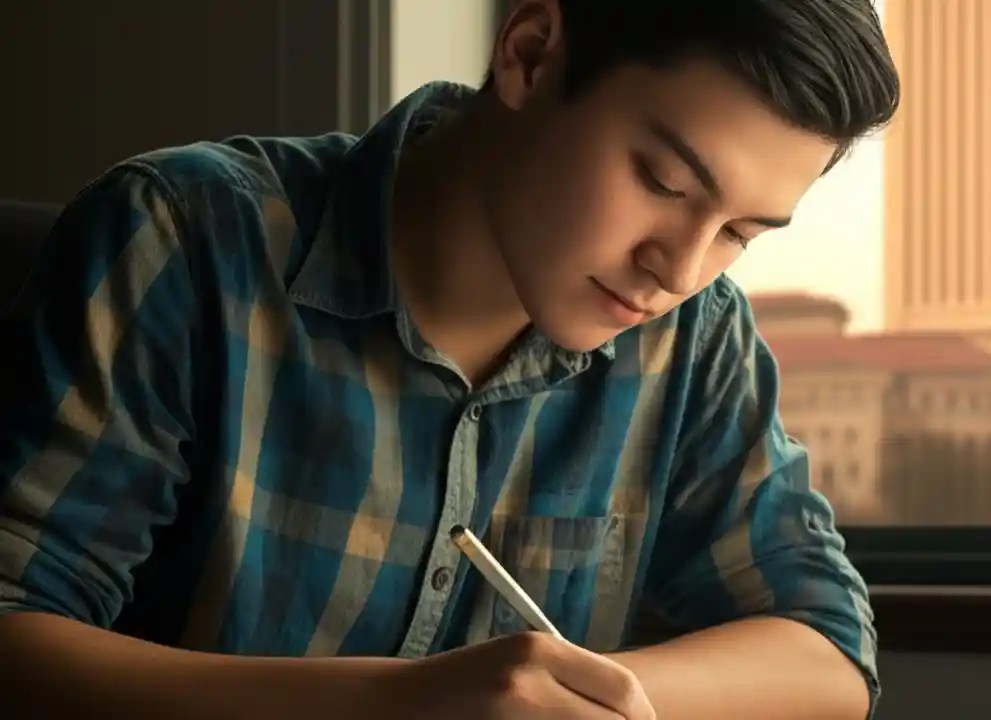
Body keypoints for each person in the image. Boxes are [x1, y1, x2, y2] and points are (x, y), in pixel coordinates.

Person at [0, 0, 899, 717]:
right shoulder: (186, 241)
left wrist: (565, 701)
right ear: (531, 52)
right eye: (663, 183)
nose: (680, 267)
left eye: (740, 231)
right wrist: (391, 707)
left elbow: (826, 649)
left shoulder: (692, 338)